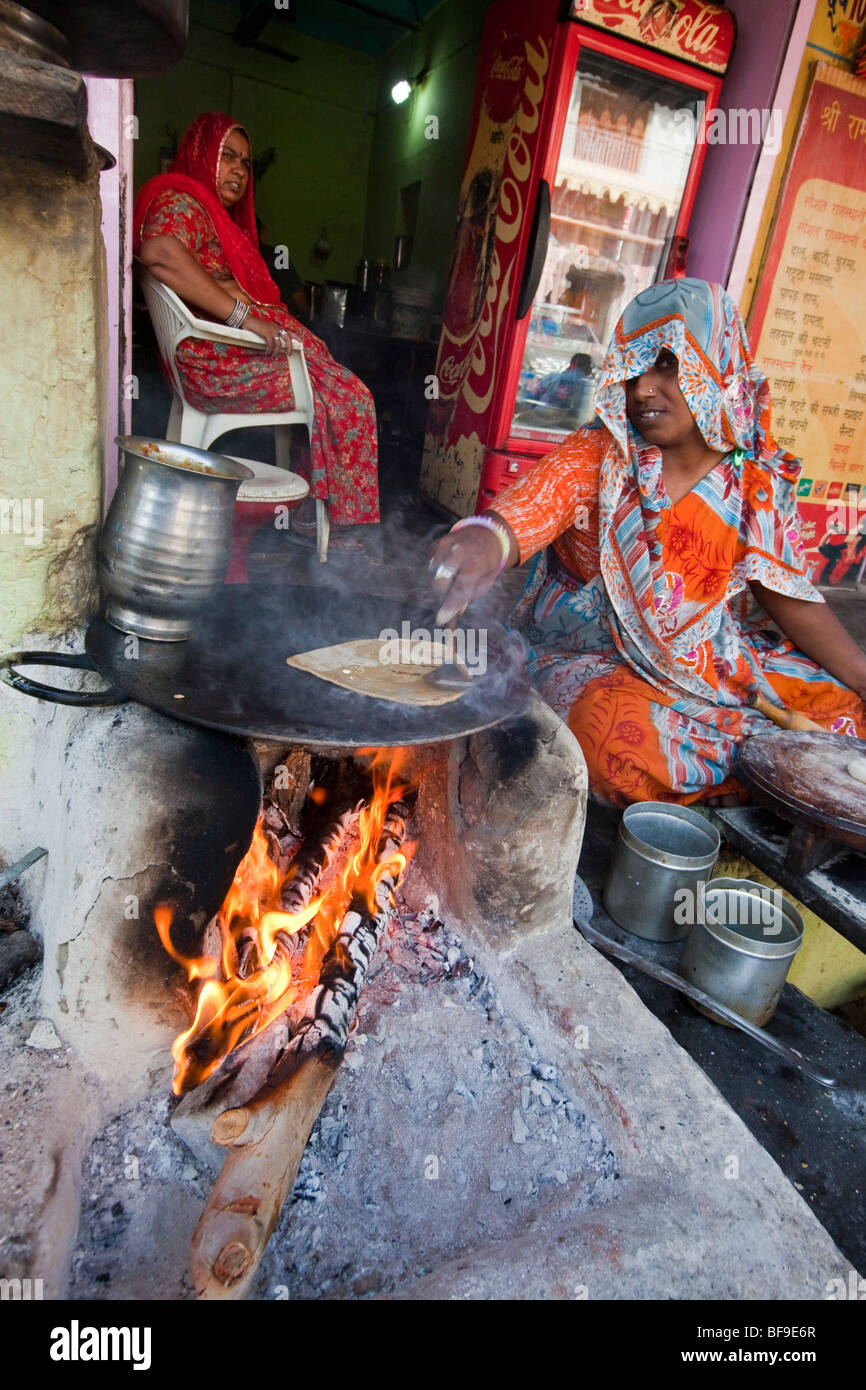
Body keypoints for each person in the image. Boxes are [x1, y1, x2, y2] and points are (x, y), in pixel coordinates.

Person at [430, 278, 866, 807]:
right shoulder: (601, 456)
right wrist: (487, 540)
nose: (641, 388)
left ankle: (768, 764)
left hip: (711, 665)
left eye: (666, 364)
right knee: (603, 739)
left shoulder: (753, 481)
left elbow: (784, 592)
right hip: (591, 658)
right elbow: (531, 507)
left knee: (842, 709)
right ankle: (776, 771)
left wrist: (862, 677)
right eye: (633, 367)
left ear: (716, 367)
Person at [133, 111, 379, 546]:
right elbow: (160, 252)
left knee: (333, 389)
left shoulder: (210, 216)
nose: (239, 170)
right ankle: (333, 524)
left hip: (229, 354)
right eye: (226, 156)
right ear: (200, 153)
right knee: (350, 396)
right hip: (214, 363)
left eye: (245, 162)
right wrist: (242, 316)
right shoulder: (182, 201)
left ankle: (308, 511)